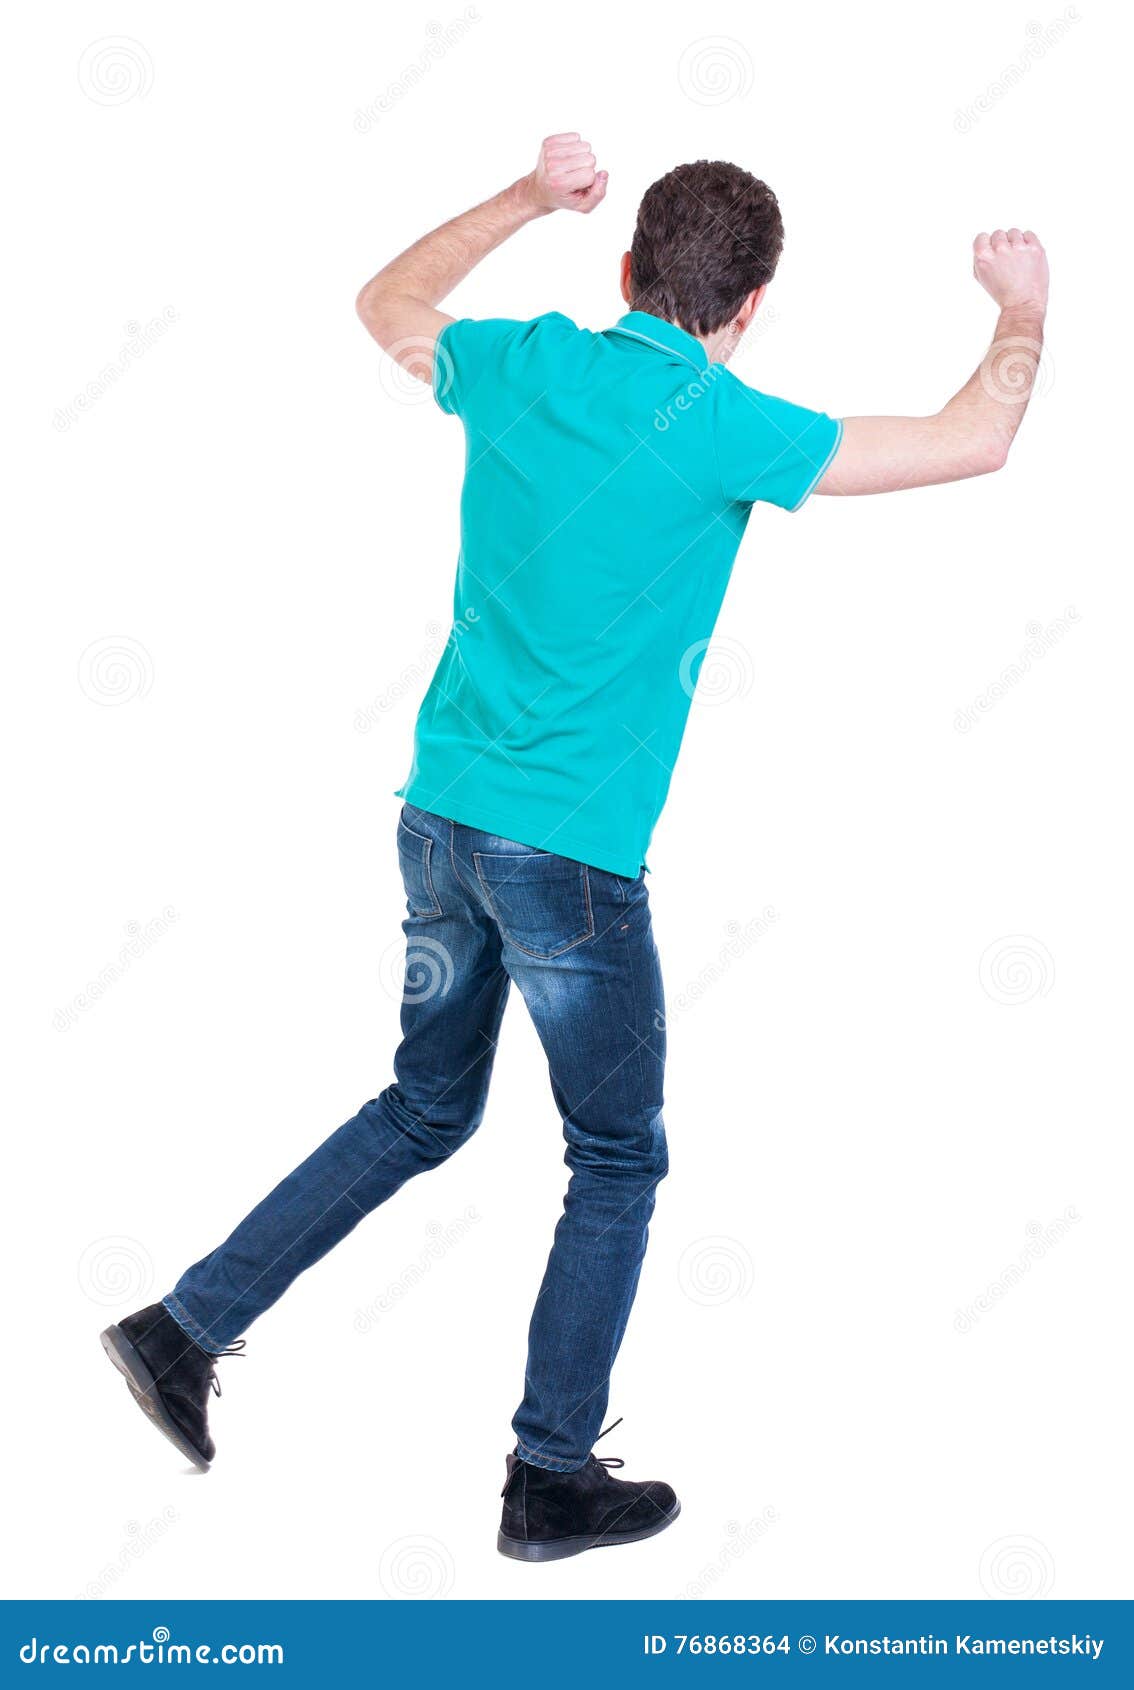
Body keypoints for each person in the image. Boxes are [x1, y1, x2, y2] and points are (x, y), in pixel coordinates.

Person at [102, 135, 1048, 1562]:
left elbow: (384, 304)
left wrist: (523, 198)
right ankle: (548, 1477)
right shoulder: (726, 421)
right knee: (616, 1157)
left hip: (440, 828)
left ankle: (182, 1328)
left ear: (623, 272)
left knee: (425, 1110)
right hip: (566, 870)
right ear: (750, 306)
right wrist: (1020, 306)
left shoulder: (526, 359)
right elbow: (973, 437)